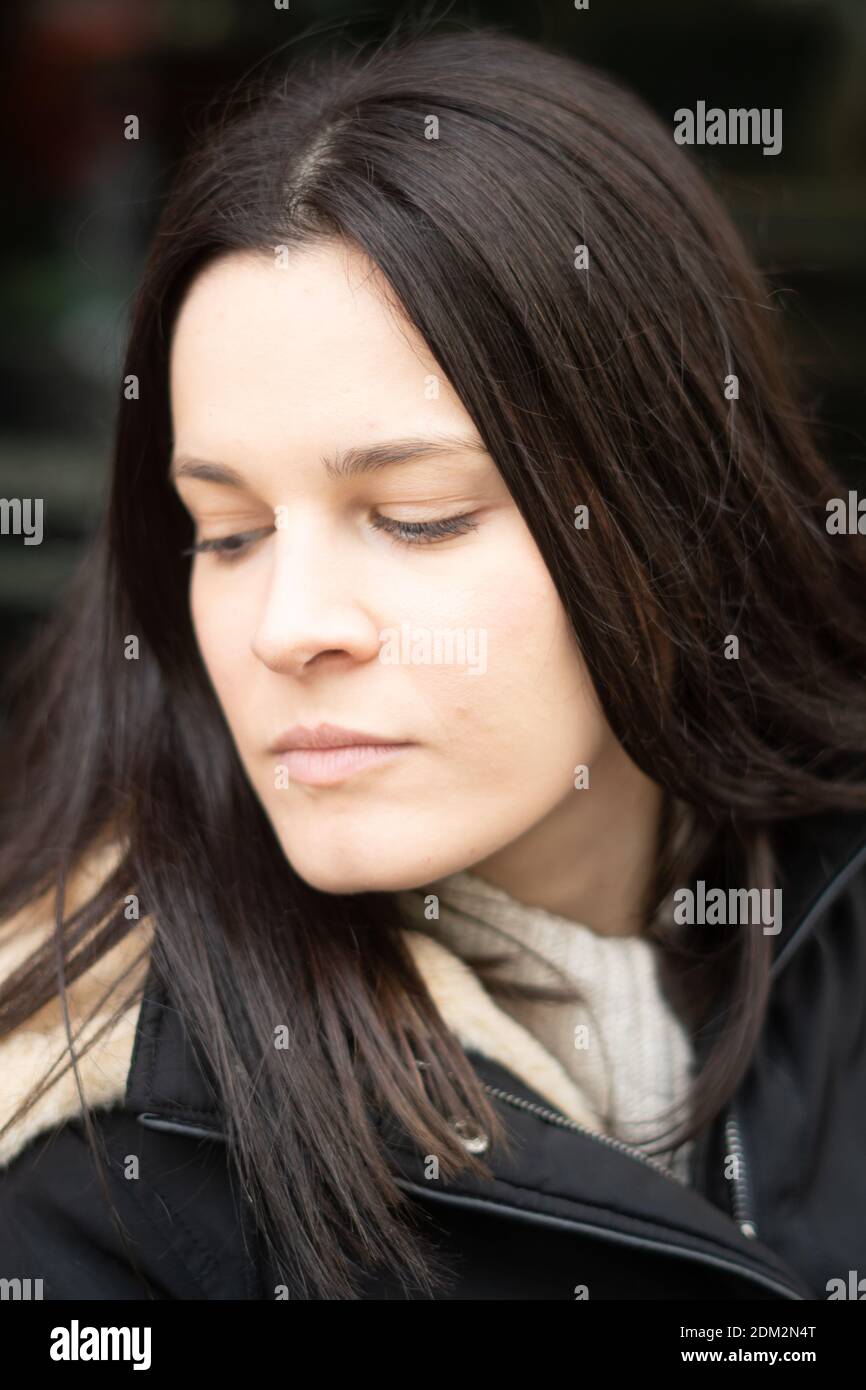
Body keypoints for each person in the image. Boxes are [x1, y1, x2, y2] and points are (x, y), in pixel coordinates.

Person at [1, 22, 865, 1301]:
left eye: (417, 516)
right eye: (225, 533)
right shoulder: (103, 1185)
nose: (288, 625)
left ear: (671, 502)